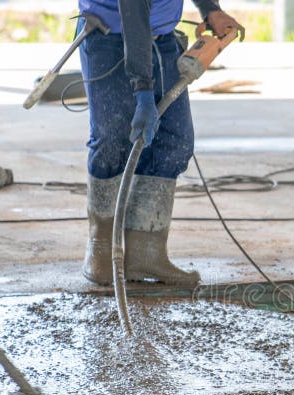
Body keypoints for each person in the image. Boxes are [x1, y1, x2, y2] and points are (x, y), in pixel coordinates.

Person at [77, 0, 244, 285]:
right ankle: (101, 250)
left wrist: (209, 9)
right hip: (108, 36)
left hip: (162, 39)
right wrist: (143, 89)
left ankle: (146, 252)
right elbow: (134, 12)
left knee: (174, 142)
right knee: (112, 140)